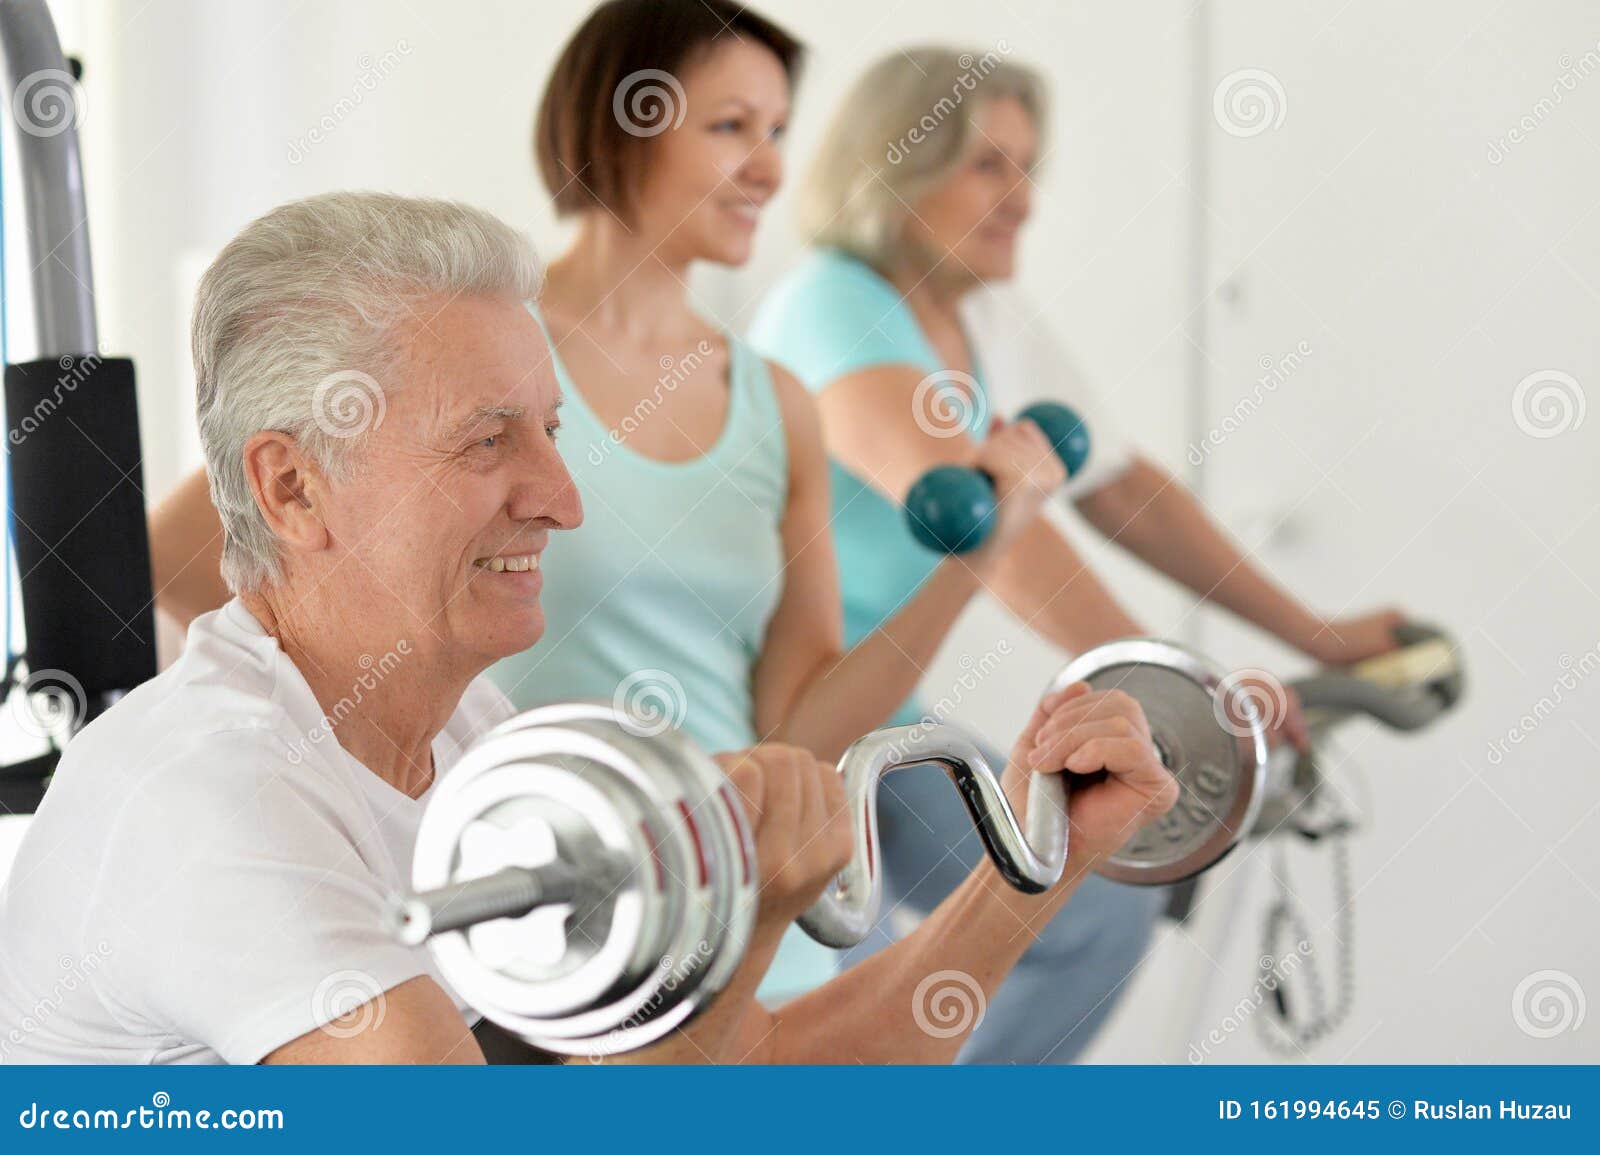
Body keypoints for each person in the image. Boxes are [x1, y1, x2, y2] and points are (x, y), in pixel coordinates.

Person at [0, 190, 1176, 1065]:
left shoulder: (468, 735)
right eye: (485, 440)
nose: (562, 499)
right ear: (293, 489)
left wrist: (1030, 871)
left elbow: (751, 1080)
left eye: (551, 432)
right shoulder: (217, 798)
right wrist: (750, 919)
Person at [747, 47, 1409, 1063]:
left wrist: (1318, 634)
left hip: (881, 723)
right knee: (850, 1005)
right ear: (896, 168)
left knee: (1091, 908)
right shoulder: (836, 307)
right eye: (987, 166)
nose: (1021, 197)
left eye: (1024, 167)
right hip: (780, 731)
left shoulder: (972, 310)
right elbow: (997, 538)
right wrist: (1182, 697)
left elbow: (1121, 488)